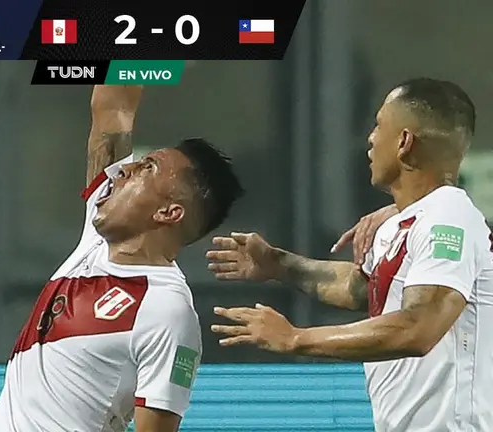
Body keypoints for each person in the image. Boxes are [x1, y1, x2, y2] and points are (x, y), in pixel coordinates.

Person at [206, 78, 492, 431]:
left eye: (379, 125)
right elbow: (361, 289)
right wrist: (279, 264)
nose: (371, 138)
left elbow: (419, 327)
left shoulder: (449, 219)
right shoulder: (404, 222)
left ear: (404, 142)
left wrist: (295, 338)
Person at [0, 85, 243, 432]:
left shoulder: (167, 311)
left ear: (169, 212)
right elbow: (112, 105)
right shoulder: (97, 237)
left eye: (146, 167)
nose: (123, 171)